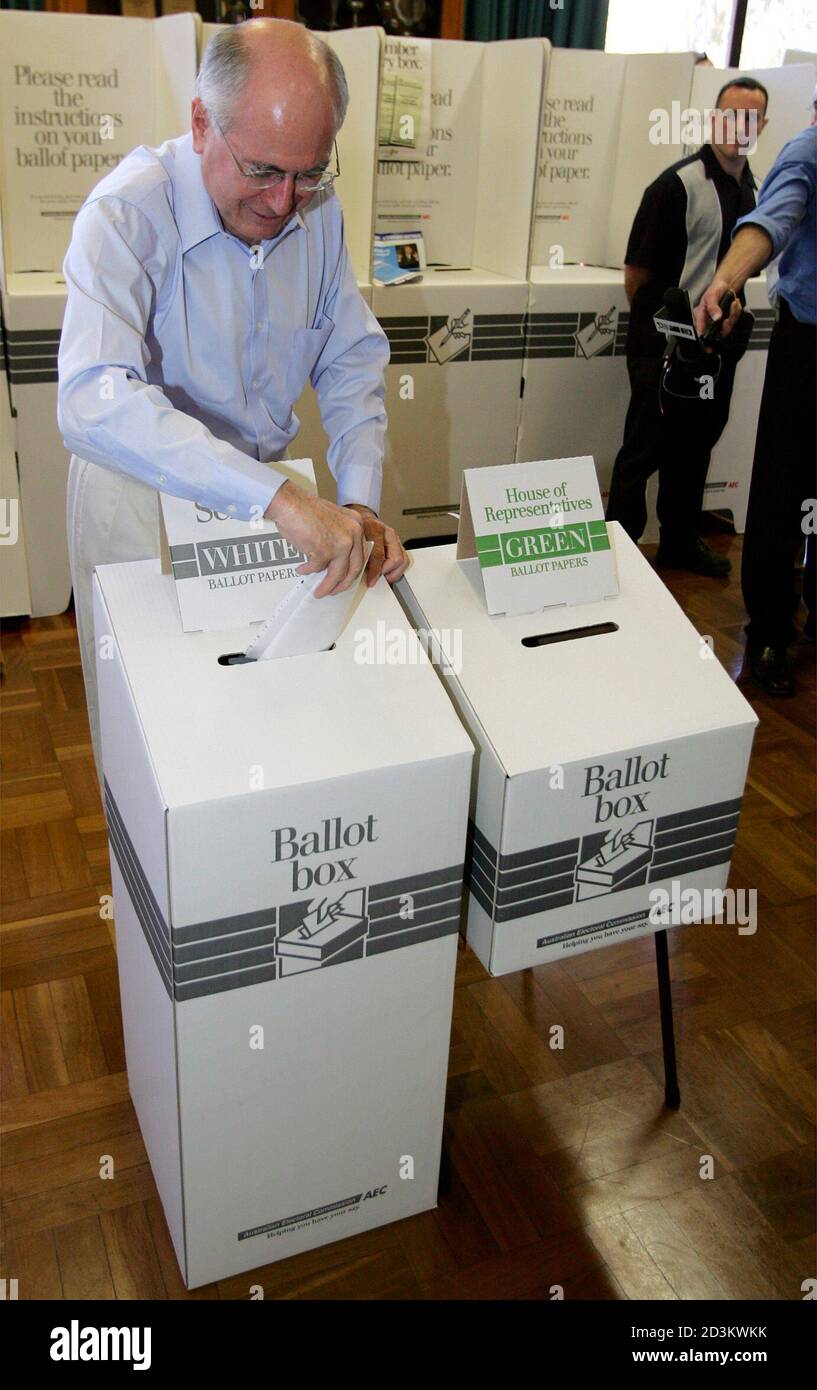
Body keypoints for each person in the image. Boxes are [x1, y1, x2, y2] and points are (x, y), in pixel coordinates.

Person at [58, 19, 408, 778]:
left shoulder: (318, 212)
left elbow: (348, 359)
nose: (285, 202)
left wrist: (360, 506)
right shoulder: (125, 215)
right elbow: (91, 398)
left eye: (309, 172)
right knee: (152, 753)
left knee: (253, 731)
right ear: (198, 125)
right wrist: (278, 498)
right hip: (138, 511)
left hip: (270, 509)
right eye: (262, 170)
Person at [606, 77, 768, 576]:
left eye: (750, 119)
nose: (739, 128)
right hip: (662, 345)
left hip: (717, 348)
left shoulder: (753, 190)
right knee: (644, 446)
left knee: (697, 446)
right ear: (714, 119)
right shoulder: (676, 185)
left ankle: (678, 542)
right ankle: (619, 548)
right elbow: (637, 275)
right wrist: (668, 331)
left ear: (760, 126)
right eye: (731, 116)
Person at [696, 117, 816, 697]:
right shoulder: (809, 151)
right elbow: (770, 222)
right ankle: (770, 631)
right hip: (809, 346)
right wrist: (726, 278)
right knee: (783, 490)